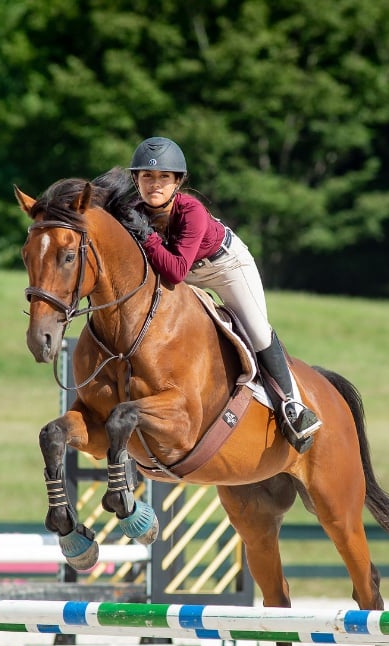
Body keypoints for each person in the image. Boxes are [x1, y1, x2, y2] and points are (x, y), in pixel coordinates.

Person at [129, 136, 321, 453]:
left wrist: (148, 237)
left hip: (225, 267)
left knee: (257, 331)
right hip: (183, 271)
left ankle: (293, 407)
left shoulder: (191, 210)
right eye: (147, 177)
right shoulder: (132, 210)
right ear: (136, 179)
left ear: (178, 182)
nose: (155, 185)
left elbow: (175, 271)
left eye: (164, 177)